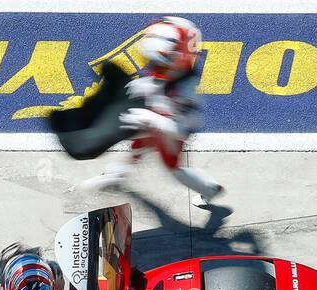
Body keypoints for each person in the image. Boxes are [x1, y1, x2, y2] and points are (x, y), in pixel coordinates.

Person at [84, 16, 223, 205]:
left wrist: (151, 119)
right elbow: (159, 82)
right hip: (156, 115)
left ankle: (209, 189)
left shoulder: (186, 92)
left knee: (174, 168)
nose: (151, 66)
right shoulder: (174, 68)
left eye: (157, 63)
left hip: (168, 129)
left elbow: (183, 132)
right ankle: (117, 175)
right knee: (136, 146)